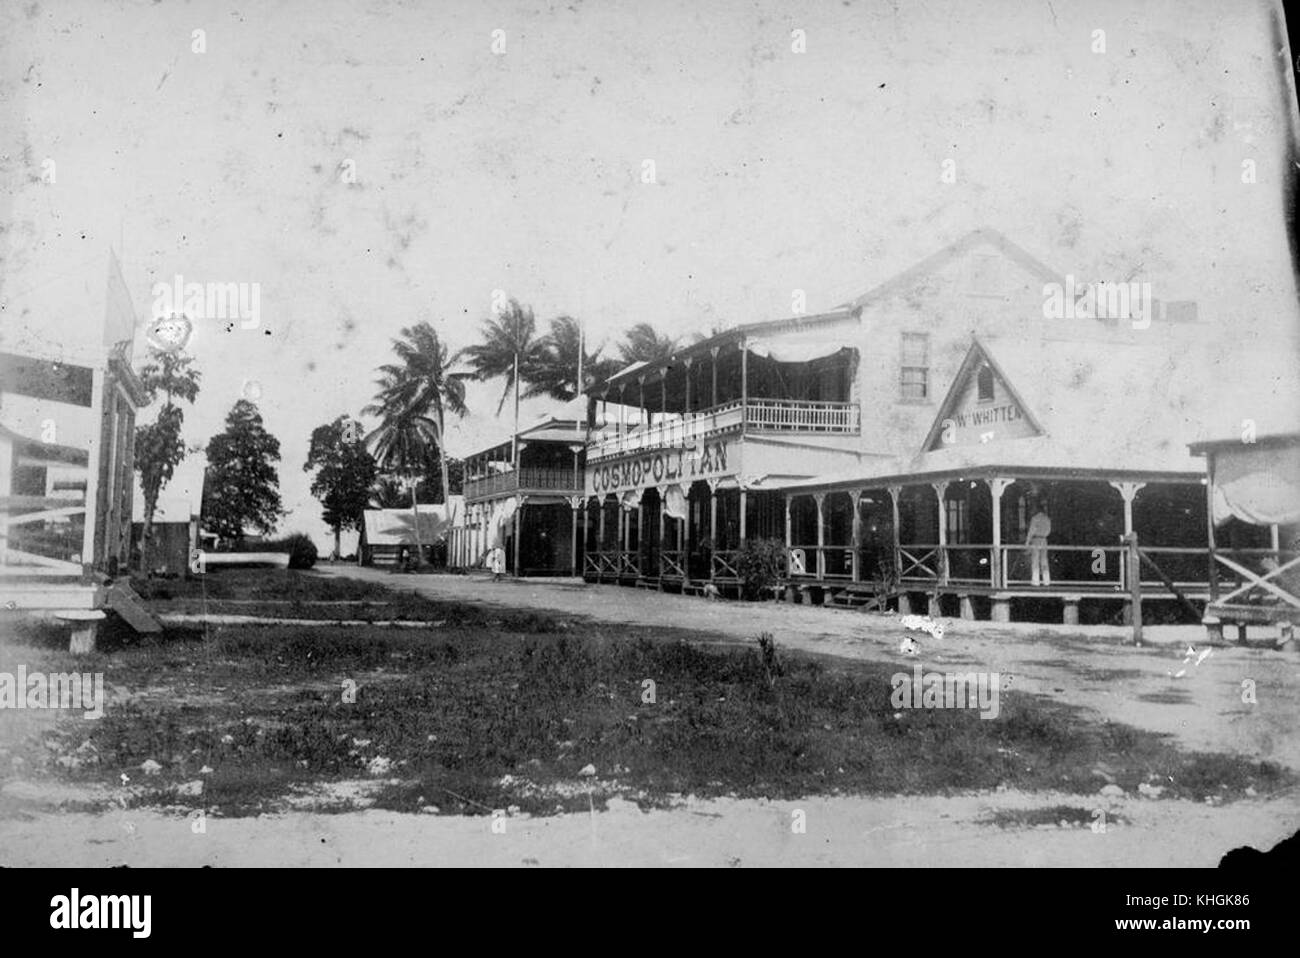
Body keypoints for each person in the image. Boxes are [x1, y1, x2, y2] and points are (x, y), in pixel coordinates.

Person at [1026, 504, 1052, 586]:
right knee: (1044, 560)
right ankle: (1046, 580)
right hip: (1044, 540)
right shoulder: (1047, 519)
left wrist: (1027, 541)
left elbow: (1031, 530)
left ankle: (1035, 581)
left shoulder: (1035, 518)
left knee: (1035, 560)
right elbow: (1049, 530)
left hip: (1036, 540)